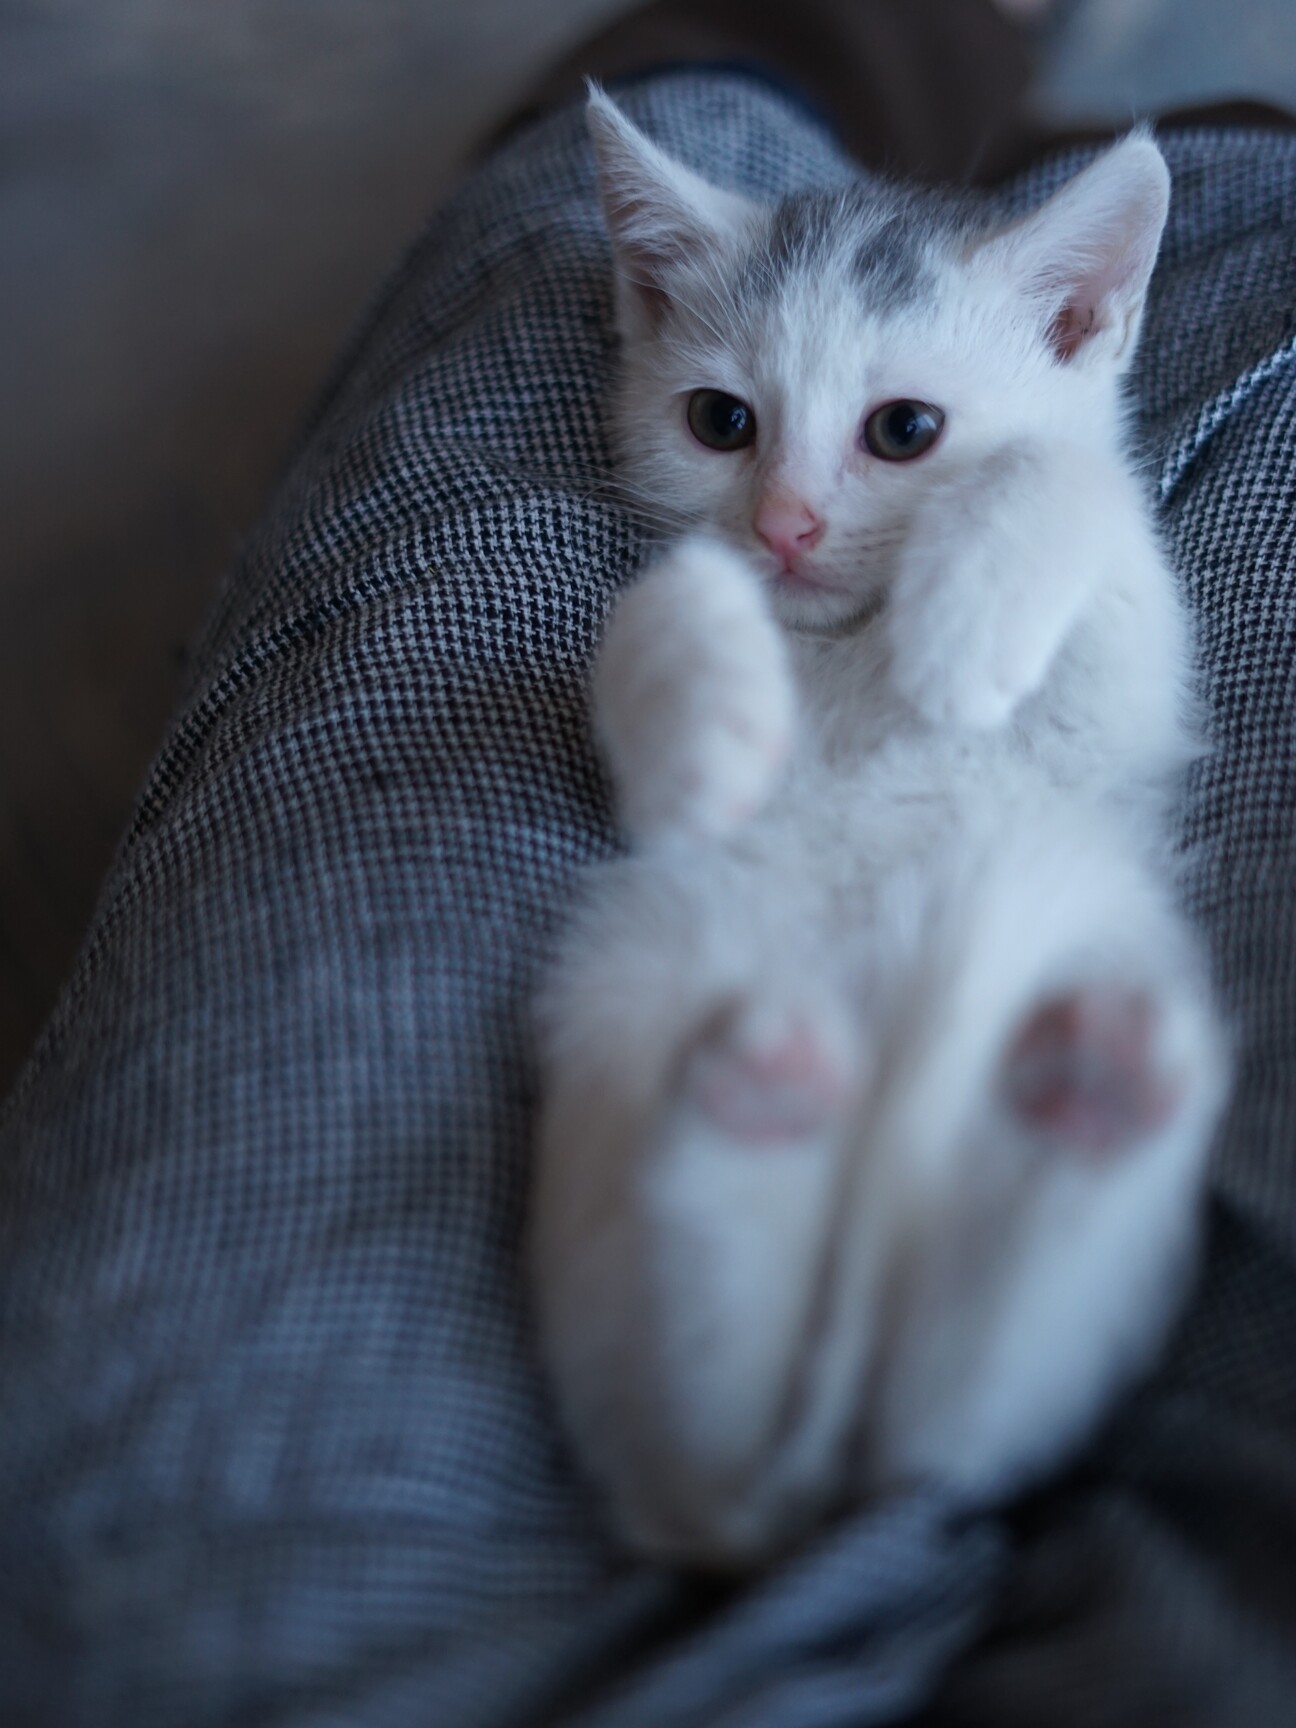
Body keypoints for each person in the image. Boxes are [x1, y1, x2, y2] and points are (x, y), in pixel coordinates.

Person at [2, 4, 1294, 1722]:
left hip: (933, 1041)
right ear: (651, 339)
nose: (789, 517)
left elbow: (1098, 680)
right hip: (788, 1013)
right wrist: (677, 660)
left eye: (900, 433)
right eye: (722, 420)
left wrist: (1030, 511)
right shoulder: (713, 572)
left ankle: (827, 42)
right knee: (653, 982)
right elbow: (686, 775)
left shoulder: (1058, 493)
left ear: (1082, 325)